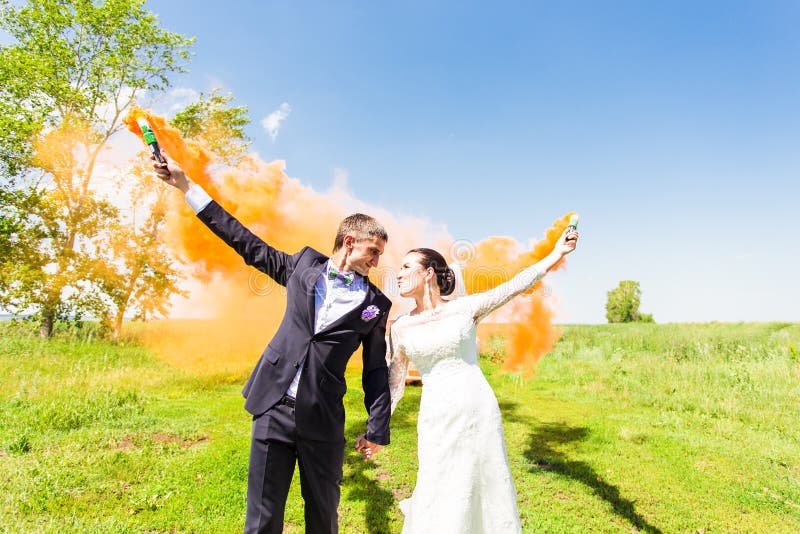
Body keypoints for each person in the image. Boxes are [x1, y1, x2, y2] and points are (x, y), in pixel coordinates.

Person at [153, 158, 393, 534]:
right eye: (374, 251)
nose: (378, 261)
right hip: (273, 408)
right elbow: (244, 241)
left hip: (323, 419)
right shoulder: (302, 266)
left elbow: (376, 371)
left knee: (323, 518)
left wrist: (378, 428)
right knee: (262, 520)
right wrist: (187, 187)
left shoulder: (377, 305)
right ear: (350, 241)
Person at [387, 228, 579, 533]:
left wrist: (556, 254)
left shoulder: (465, 308)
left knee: (482, 486)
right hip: (436, 417)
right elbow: (394, 383)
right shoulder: (401, 327)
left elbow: (515, 286)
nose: (398, 274)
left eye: (406, 267)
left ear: (428, 274)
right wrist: (376, 427)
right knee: (437, 485)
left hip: (478, 410)